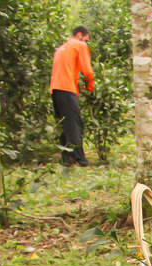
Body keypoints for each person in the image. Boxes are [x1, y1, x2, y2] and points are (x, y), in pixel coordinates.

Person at [50, 26, 95, 167]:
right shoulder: (79, 45)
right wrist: (90, 87)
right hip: (66, 88)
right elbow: (87, 70)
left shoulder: (61, 48)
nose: (86, 43)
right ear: (80, 35)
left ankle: (67, 158)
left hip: (55, 89)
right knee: (74, 124)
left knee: (63, 124)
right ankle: (79, 159)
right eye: (86, 40)